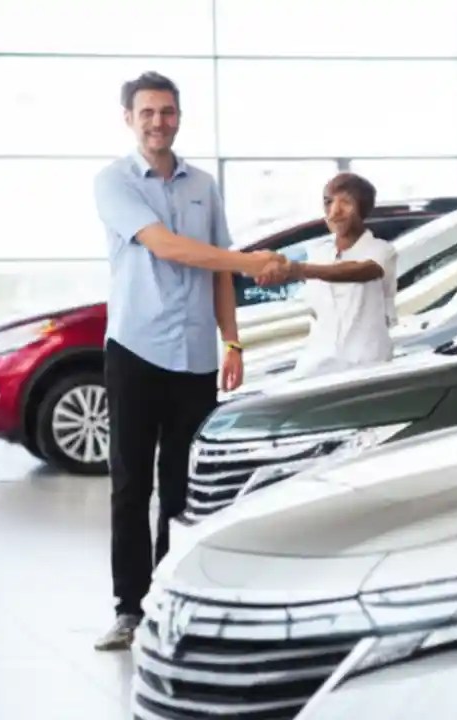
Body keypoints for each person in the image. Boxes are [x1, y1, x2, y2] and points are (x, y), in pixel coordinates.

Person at [91, 71, 286, 651]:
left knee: (183, 485)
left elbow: (218, 269)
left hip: (196, 352)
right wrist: (250, 260)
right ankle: (130, 607)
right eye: (148, 111)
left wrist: (232, 340)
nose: (159, 121)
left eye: (168, 111)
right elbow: (167, 246)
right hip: (135, 348)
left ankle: (171, 598)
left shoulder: (203, 183)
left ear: (180, 116)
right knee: (131, 484)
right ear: (129, 117)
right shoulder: (114, 182)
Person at [257, 173, 397, 377]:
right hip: (317, 365)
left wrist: (298, 270)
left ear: (363, 209)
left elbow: (363, 271)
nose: (335, 212)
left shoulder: (381, 250)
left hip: (366, 365)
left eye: (346, 203)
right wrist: (268, 268)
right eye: (328, 203)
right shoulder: (318, 251)